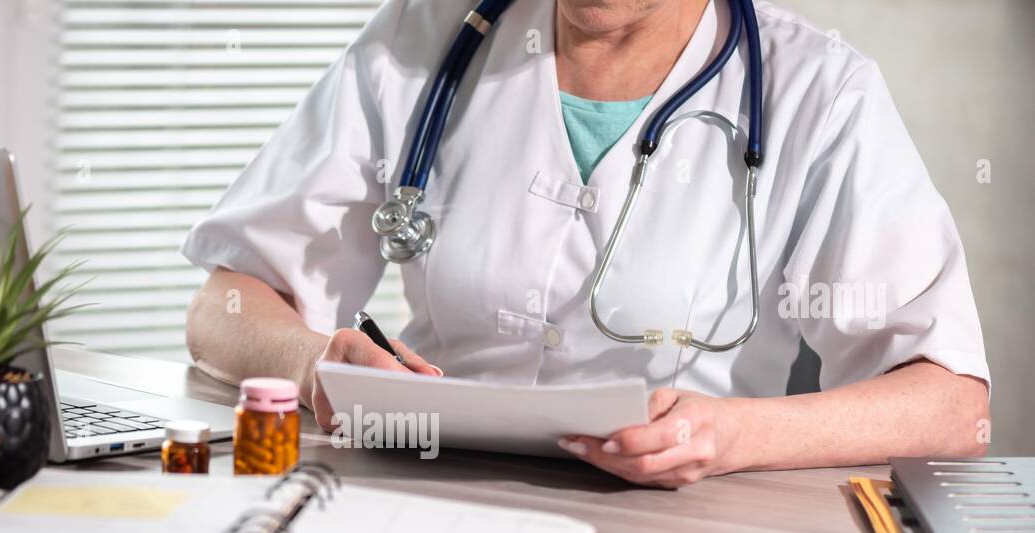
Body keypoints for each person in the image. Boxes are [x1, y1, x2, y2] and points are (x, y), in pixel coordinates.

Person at [182, 0, 990, 488]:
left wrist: (733, 433)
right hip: (423, 502)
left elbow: (953, 406)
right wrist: (314, 362)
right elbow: (225, 305)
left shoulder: (820, 93)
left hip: (677, 528)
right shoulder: (425, 37)